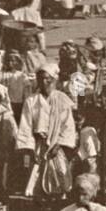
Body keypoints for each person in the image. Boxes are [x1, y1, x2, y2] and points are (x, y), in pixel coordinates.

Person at [17, 65, 78, 203]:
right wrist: (29, 147)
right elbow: (26, 125)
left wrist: (59, 144)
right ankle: (40, 204)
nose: (44, 83)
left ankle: (58, 202)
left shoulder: (62, 99)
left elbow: (67, 125)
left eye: (48, 79)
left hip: (56, 143)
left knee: (59, 173)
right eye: (41, 79)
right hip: (39, 143)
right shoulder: (31, 101)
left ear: (54, 80)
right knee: (37, 174)